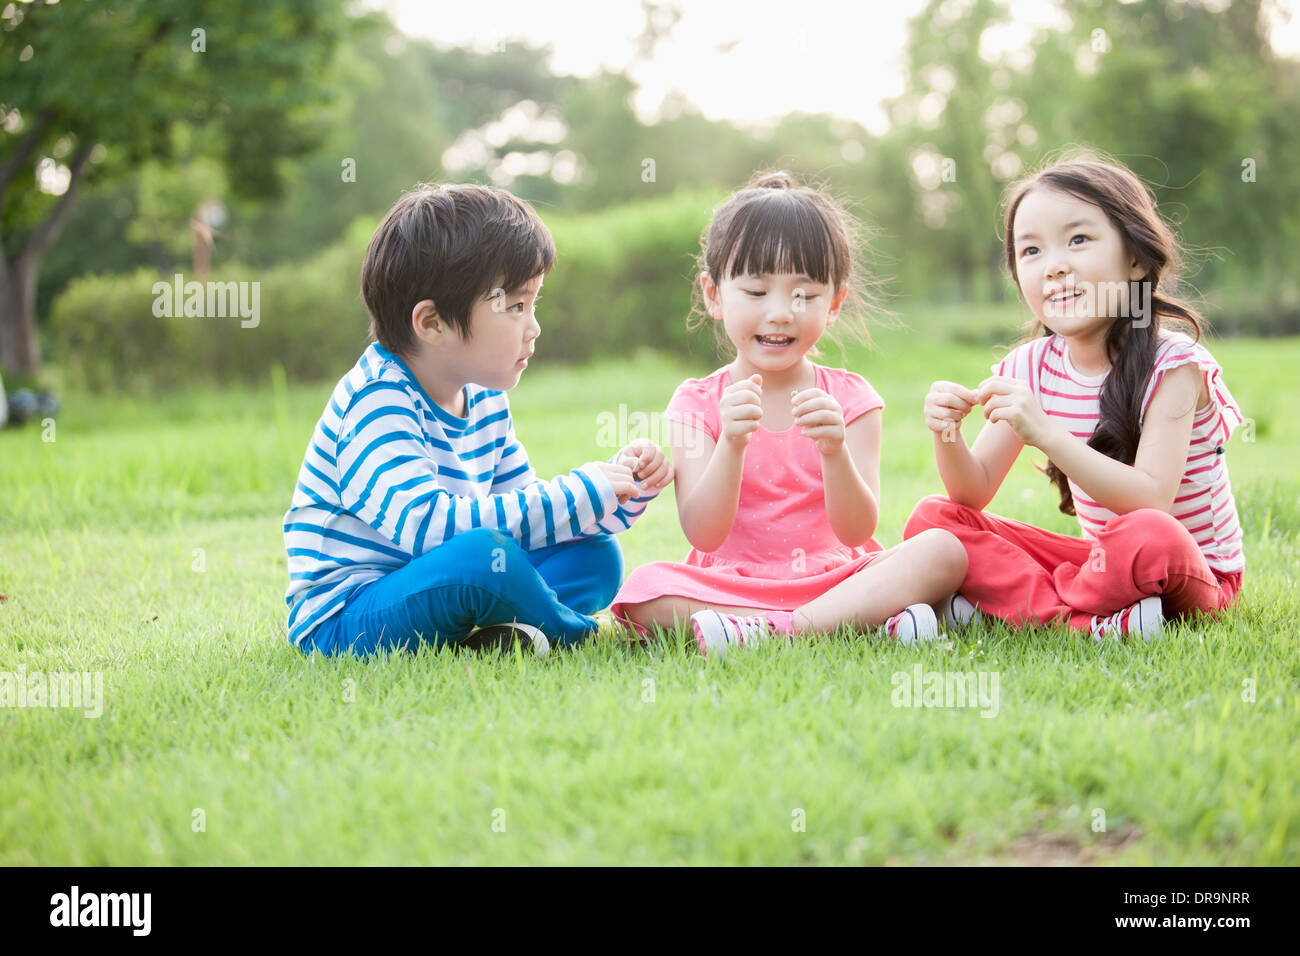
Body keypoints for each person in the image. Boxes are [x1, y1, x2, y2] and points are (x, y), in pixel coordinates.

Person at [284, 184, 672, 657]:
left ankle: (504, 638)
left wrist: (615, 493)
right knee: (483, 559)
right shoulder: (376, 401)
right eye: (514, 307)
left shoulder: (485, 398)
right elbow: (430, 530)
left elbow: (524, 514)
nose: (534, 326)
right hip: (350, 616)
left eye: (534, 304)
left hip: (443, 583)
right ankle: (572, 633)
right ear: (432, 324)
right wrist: (579, 491)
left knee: (593, 554)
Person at [612, 171, 968, 655]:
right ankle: (867, 621)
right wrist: (732, 445)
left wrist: (834, 450)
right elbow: (704, 533)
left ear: (835, 302)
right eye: (756, 292)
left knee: (942, 550)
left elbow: (858, 530)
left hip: (835, 576)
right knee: (644, 590)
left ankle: (771, 630)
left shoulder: (853, 398)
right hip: (734, 585)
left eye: (803, 295)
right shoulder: (696, 403)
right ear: (713, 294)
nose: (780, 312)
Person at [906, 155, 1245, 642]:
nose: (1056, 266)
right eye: (1031, 251)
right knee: (935, 520)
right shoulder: (1031, 366)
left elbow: (1151, 500)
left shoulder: (1174, 364)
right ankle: (1089, 620)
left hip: (1188, 570)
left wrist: (1046, 432)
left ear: (1135, 259)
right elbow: (972, 492)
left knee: (1151, 534)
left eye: (1079, 240)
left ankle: (1022, 609)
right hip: (1102, 564)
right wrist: (948, 435)